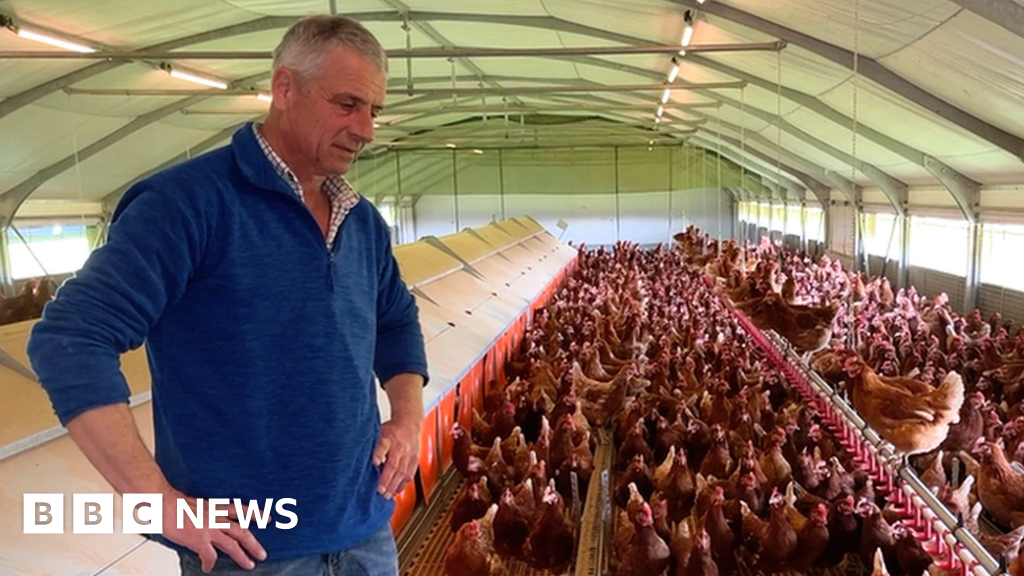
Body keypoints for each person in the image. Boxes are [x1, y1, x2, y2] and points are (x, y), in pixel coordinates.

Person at [27, 15, 427, 576]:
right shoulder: (187, 205)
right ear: (284, 88)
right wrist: (156, 501)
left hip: (366, 534)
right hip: (251, 554)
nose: (366, 129)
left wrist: (408, 418)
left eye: (374, 111)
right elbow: (70, 338)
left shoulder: (361, 222)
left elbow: (396, 322)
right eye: (347, 105)